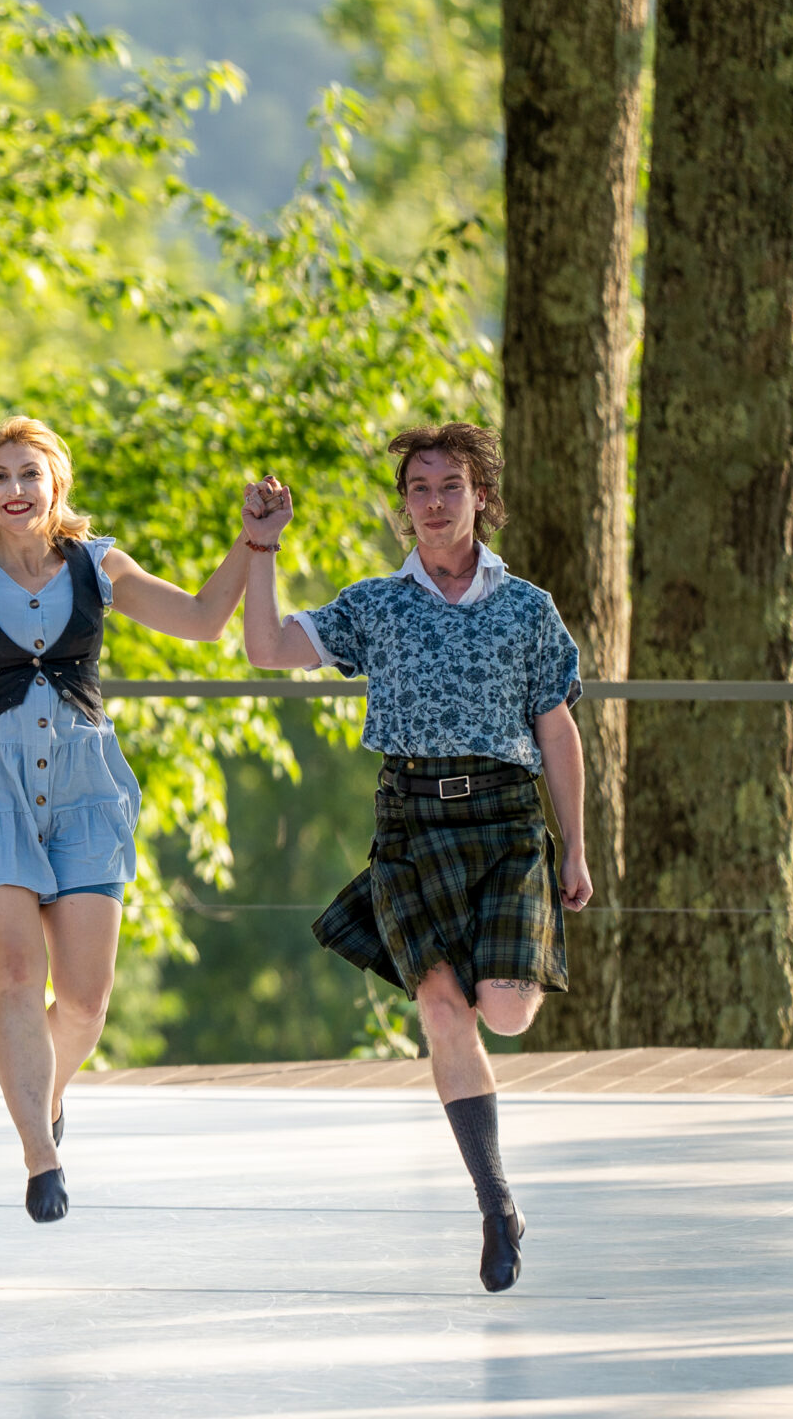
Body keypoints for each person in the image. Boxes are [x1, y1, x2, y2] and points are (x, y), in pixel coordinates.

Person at [0, 416, 278, 1223]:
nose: (17, 489)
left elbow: (204, 619)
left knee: (89, 998)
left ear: (57, 485)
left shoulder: (99, 567)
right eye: (1, 476)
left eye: (31, 474)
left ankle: (46, 1093)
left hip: (84, 789)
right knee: (17, 979)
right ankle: (40, 1154)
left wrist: (254, 543)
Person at [240, 422, 592, 1293]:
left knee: (505, 1012)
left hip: (508, 822)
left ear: (482, 499)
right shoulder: (374, 604)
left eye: (450, 487)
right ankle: (497, 1206)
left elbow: (557, 727)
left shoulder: (527, 608)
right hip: (409, 823)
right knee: (442, 1011)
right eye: (419, 489)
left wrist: (576, 848)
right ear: (405, 507)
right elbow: (267, 647)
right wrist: (261, 547)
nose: (433, 503)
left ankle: (493, 968)